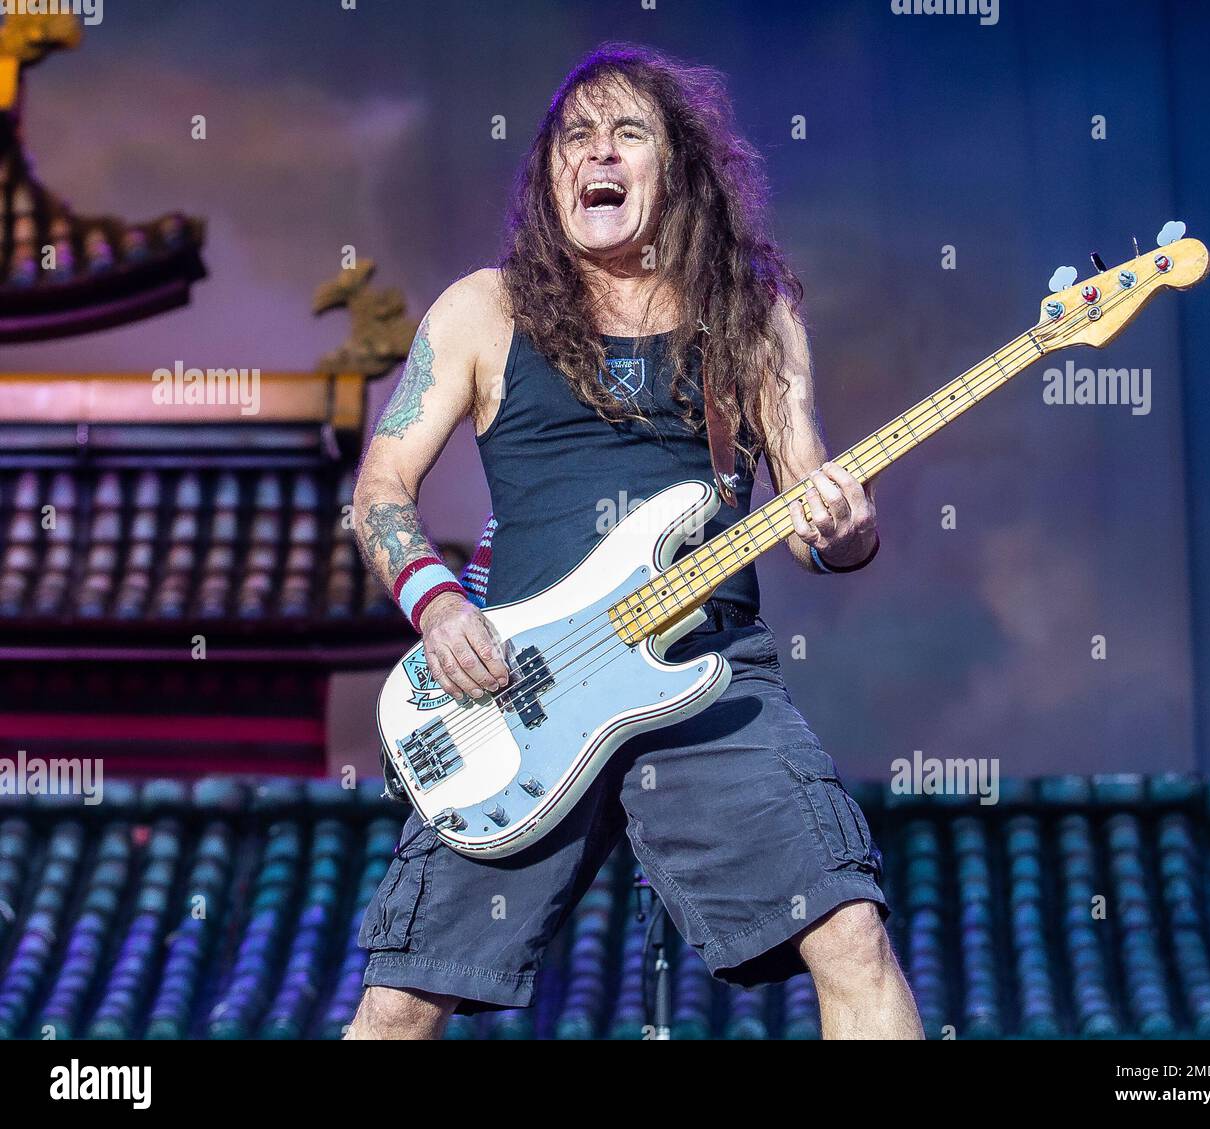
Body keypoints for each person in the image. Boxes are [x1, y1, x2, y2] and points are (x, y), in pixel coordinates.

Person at [346, 43, 923, 1040]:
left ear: (680, 170)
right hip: (519, 695)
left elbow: (810, 514)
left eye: (624, 135)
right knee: (400, 1001)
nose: (592, 155)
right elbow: (381, 489)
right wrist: (438, 605)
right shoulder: (485, 309)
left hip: (707, 681)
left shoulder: (751, 313)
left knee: (851, 937)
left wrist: (846, 526)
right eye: (573, 137)